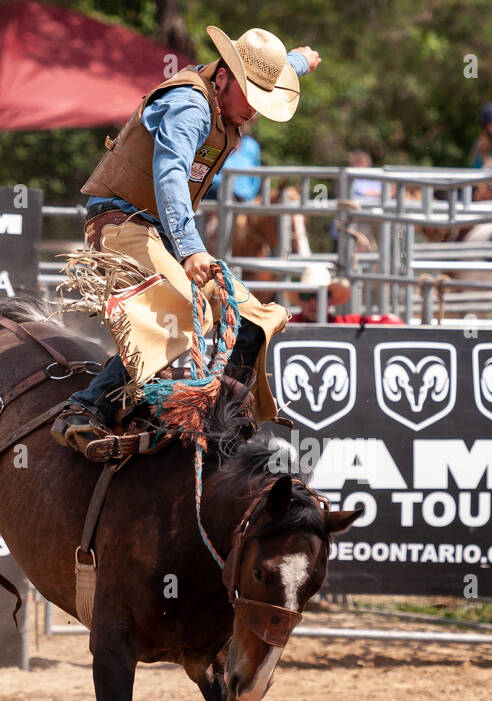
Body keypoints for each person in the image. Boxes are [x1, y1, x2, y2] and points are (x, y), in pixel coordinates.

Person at [51, 26, 321, 456]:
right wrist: (192, 248)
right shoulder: (188, 107)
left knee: (253, 320)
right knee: (181, 309)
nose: (253, 112)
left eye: (262, 101)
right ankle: (86, 408)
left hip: (162, 229)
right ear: (221, 79)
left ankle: (218, 422)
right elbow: (171, 175)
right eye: (250, 99)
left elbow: (271, 72)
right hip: (121, 220)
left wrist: (299, 62)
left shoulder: (235, 92)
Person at [292, 262, 403, 325]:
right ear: (300, 300)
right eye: (306, 296)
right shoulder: (287, 325)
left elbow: (394, 323)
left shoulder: (345, 324)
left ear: (330, 299)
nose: (313, 302)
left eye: (320, 296)